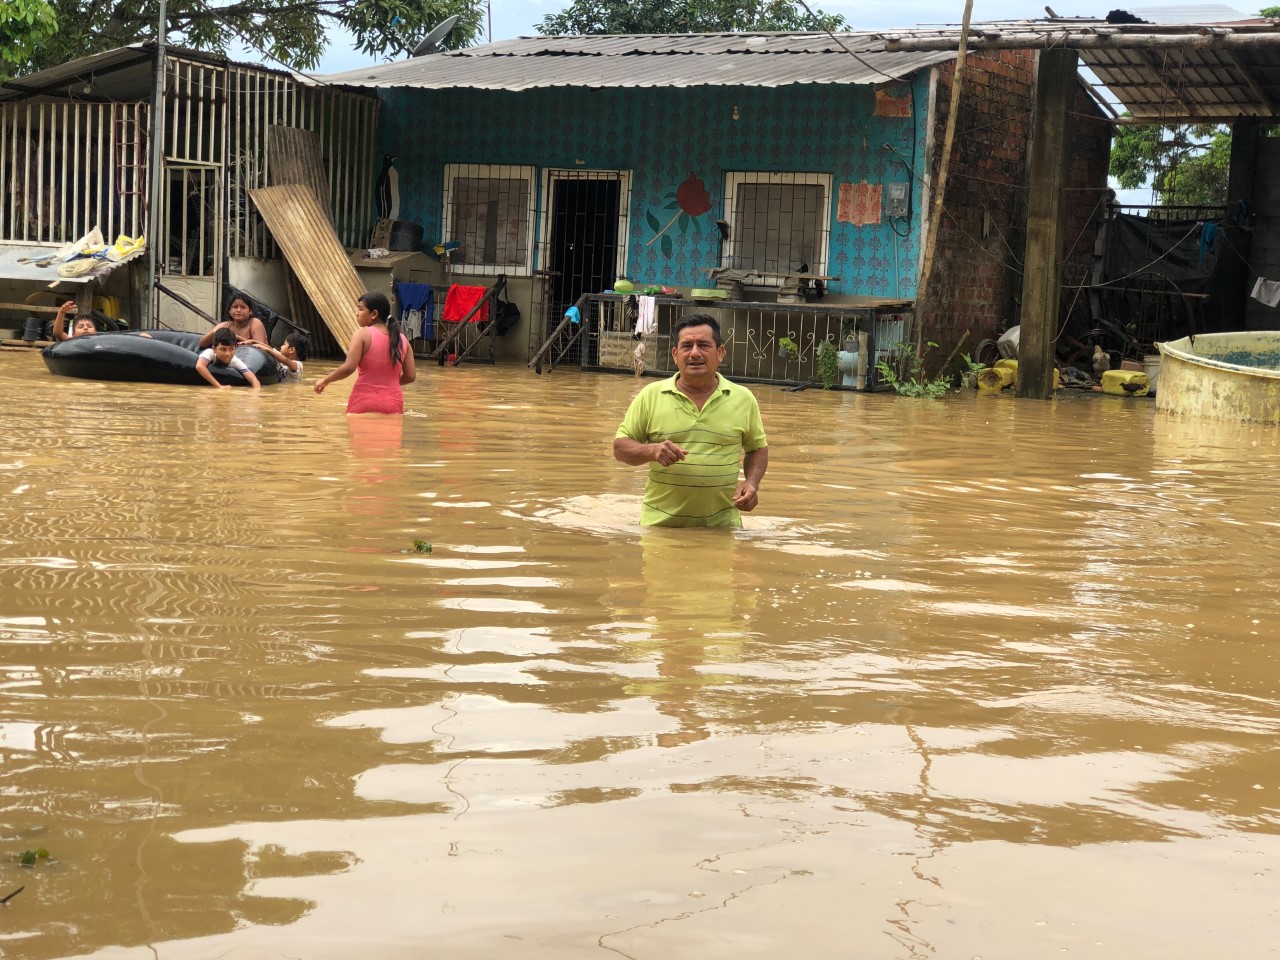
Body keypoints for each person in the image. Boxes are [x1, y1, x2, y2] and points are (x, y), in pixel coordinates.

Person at [613, 313, 768, 528]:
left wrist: (751, 484)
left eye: (703, 345)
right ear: (676, 355)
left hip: (722, 529)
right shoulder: (650, 396)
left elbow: (757, 448)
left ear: (720, 352)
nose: (695, 353)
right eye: (687, 346)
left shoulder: (743, 399)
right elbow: (620, 448)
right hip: (659, 529)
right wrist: (652, 451)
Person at [313, 292, 416, 413]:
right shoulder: (403, 340)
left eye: (360, 309)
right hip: (393, 403)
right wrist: (387, 385)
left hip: (363, 401)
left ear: (374, 314)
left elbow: (348, 368)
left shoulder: (362, 335)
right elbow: (410, 376)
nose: (357, 313)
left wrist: (326, 380)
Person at [196, 327, 261, 390]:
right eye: (223, 349)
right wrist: (219, 386)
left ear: (235, 349)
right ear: (214, 348)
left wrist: (254, 395)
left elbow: (254, 380)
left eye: (231, 349)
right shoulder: (210, 352)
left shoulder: (234, 361)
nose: (227, 354)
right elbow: (200, 366)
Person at [198, 295, 269, 349]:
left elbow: (260, 349)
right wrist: (216, 332)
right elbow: (202, 344)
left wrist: (237, 337)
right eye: (235, 307)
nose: (238, 310)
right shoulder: (226, 325)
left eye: (243, 307)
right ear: (229, 311)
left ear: (250, 311)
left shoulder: (254, 323)